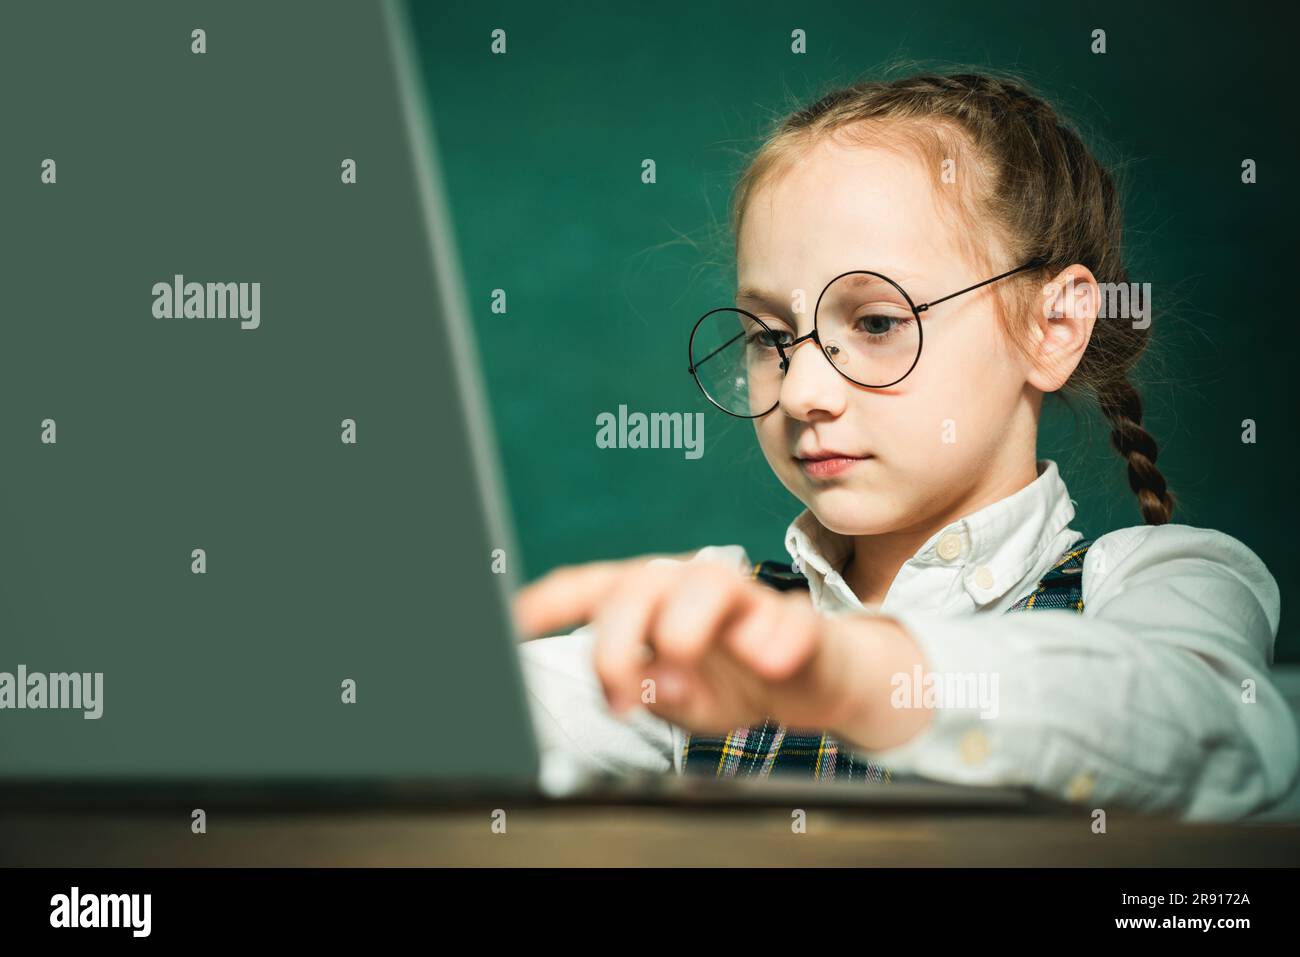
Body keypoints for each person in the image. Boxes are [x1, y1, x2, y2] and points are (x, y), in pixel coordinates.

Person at [511, 71, 1299, 821]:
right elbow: (460, 716)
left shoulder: (1168, 578)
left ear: (1054, 326)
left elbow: (1204, 728)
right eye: (770, 337)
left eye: (878, 322)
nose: (801, 392)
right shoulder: (711, 620)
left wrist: (850, 674)